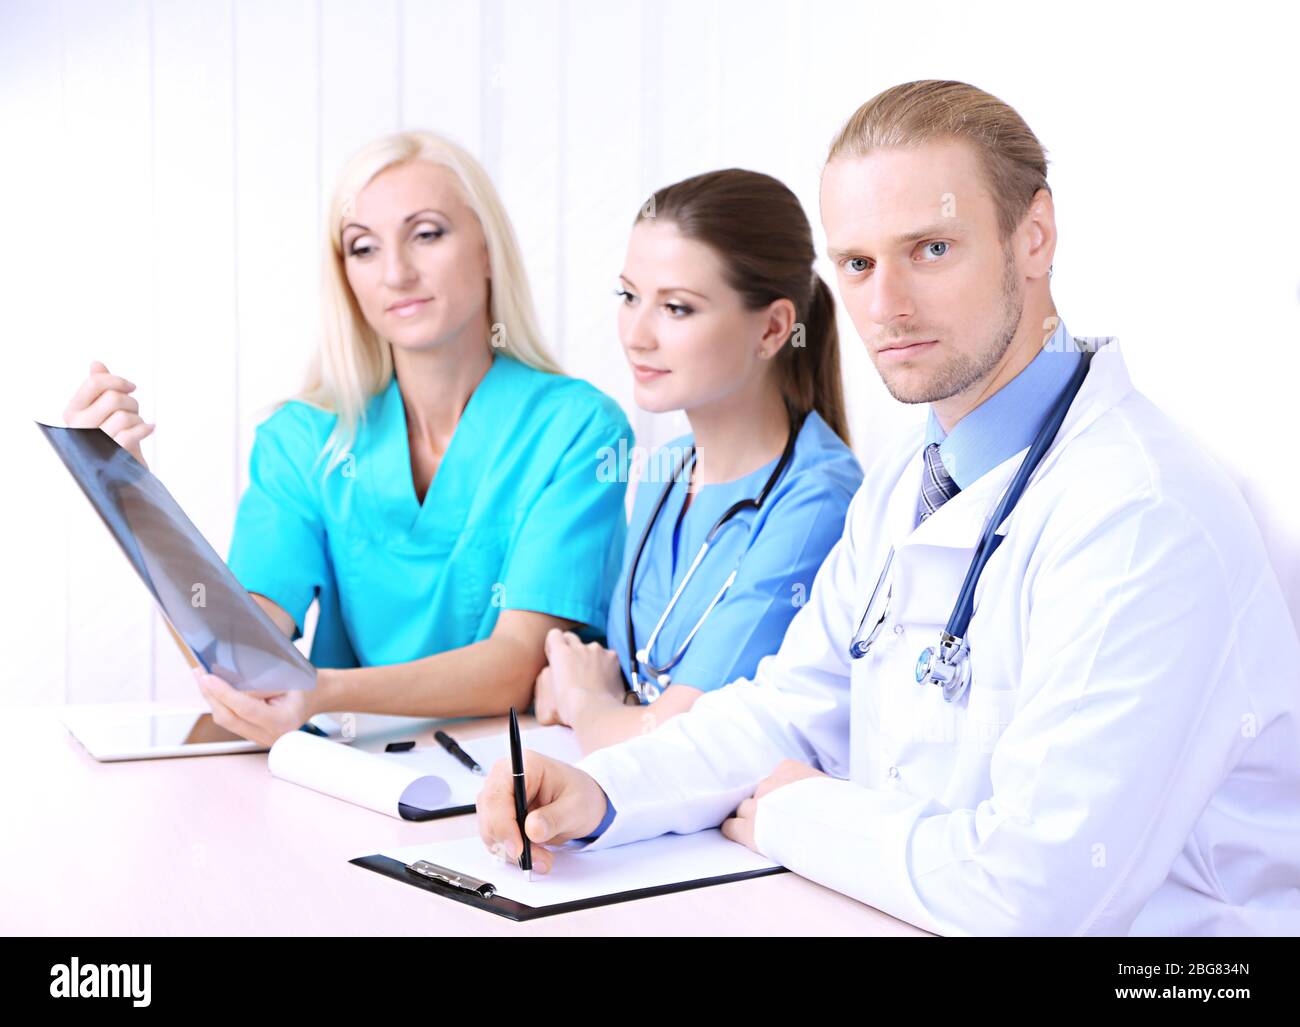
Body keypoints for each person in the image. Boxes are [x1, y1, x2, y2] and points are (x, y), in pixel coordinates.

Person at [476, 81, 1300, 936]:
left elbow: (1032, 894)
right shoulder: (913, 474)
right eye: (859, 264)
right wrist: (608, 789)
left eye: (931, 248)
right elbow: (791, 705)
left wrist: (801, 815)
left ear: (1035, 235)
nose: (885, 306)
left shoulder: (1140, 517)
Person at [64, 130, 632, 746]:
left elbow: (518, 663)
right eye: (363, 248)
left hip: (517, 777)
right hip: (346, 769)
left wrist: (323, 690)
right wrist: (131, 493)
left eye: (428, 234)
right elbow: (236, 649)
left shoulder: (577, 429)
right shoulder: (302, 437)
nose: (397, 272)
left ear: (489, 249)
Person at [533, 170, 862, 754]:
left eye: (677, 308)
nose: (636, 335)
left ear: (773, 328)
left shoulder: (818, 500)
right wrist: (592, 697)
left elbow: (679, 738)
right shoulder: (667, 470)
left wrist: (587, 703)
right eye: (629, 296)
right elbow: (594, 674)